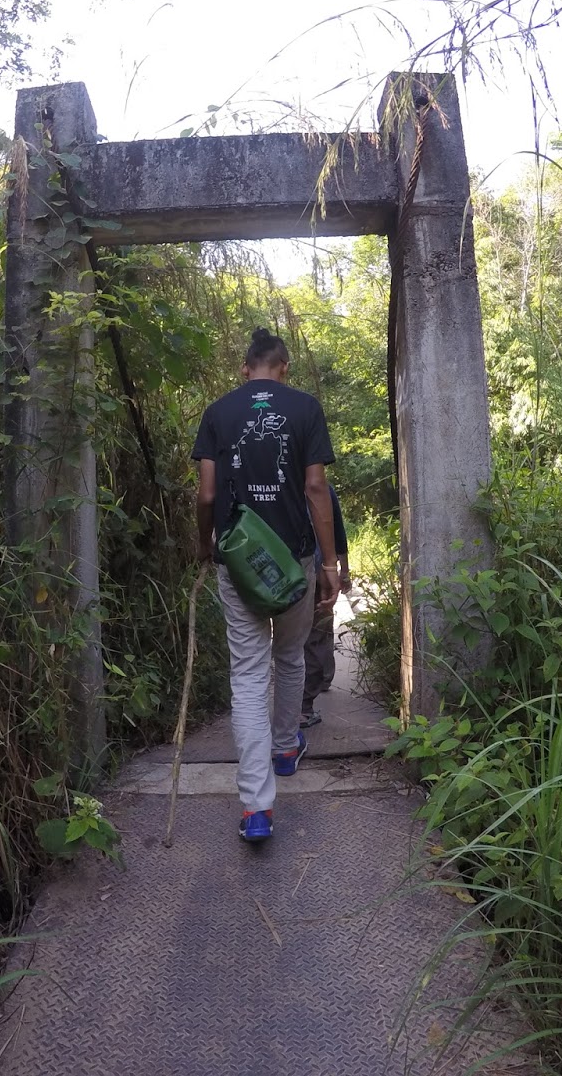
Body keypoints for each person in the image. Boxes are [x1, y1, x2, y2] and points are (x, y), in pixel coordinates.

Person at [193, 328, 339, 842]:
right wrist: (329, 563)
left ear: (245, 368)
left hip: (240, 561)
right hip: (295, 556)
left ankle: (256, 808)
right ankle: (284, 748)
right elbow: (315, 487)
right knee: (292, 655)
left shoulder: (219, 412)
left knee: (249, 673)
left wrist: (205, 545)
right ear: (284, 367)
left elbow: (207, 494)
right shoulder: (305, 408)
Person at [300, 485, 351, 728]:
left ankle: (305, 697)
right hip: (317, 571)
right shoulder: (322, 489)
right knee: (317, 634)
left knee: (297, 639)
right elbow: (337, 531)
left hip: (279, 574)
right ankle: (305, 705)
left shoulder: (271, 482)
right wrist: (342, 570)